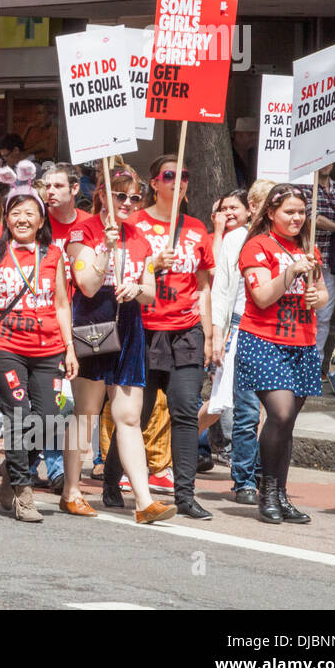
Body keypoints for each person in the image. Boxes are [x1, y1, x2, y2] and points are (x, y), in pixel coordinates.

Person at [104, 154, 215, 520]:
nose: (177, 181)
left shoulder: (197, 228)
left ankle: (185, 495)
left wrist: (210, 333)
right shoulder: (134, 222)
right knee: (138, 412)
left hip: (186, 331)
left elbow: (202, 285)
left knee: (185, 410)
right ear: (154, 182)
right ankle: (111, 478)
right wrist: (153, 266)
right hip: (144, 330)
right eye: (169, 175)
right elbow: (118, 269)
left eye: (184, 175)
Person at [64, 166, 175, 522]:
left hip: (128, 325)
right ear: (102, 194)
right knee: (86, 412)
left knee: (128, 416)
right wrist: (106, 251)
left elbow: (150, 294)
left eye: (134, 197)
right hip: (93, 319)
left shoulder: (141, 239)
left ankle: (144, 502)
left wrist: (137, 289)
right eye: (120, 195)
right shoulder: (83, 231)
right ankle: (72, 490)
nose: (127, 203)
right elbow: (87, 285)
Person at [0, 160, 78, 522]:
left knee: (53, 418)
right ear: (6, 218)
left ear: (40, 219)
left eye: (30, 213)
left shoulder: (53, 254)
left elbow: (62, 304)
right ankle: (23, 490)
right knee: (18, 416)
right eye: (15, 212)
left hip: (49, 349)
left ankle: (11, 475)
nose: (22, 218)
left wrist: (69, 347)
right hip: (6, 349)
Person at [235, 184, 328, 524]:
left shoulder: (308, 247)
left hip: (302, 342)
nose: (297, 218)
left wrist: (320, 297)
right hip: (263, 340)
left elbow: (320, 293)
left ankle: (282, 495)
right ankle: (267, 491)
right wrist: (289, 271)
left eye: (301, 212)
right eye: (289, 211)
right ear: (271, 213)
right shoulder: (257, 246)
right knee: (281, 412)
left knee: (287, 424)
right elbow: (261, 297)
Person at [208, 181, 270, 504]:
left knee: (272, 412)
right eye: (259, 202)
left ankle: (265, 475)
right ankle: (243, 478)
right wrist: (217, 333)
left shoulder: (287, 242)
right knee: (241, 408)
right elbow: (220, 289)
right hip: (241, 324)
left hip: (275, 331)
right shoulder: (236, 239)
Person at [297, 163, 335, 396]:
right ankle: (304, 364)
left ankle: (315, 365)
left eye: (330, 159)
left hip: (334, 259)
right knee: (308, 311)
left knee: (325, 316)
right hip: (310, 258)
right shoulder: (305, 189)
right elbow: (311, 218)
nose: (327, 164)